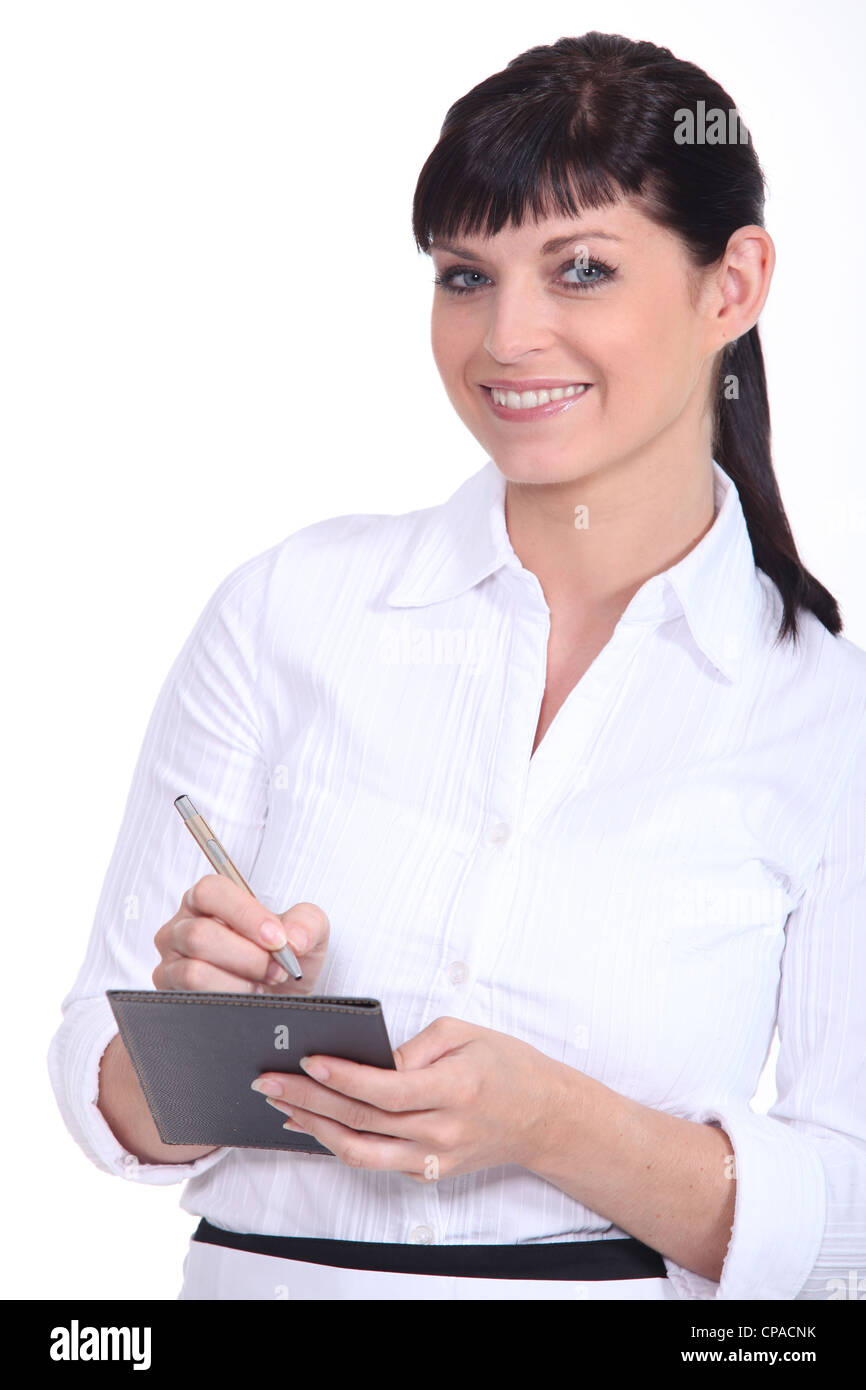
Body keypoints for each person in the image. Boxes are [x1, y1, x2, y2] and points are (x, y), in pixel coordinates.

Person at [48, 31, 866, 1302]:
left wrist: (550, 1121)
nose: (505, 336)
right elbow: (102, 1091)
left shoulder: (823, 715)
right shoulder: (289, 609)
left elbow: (847, 1228)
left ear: (732, 283)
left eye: (580, 269)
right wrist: (189, 1027)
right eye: (462, 276)